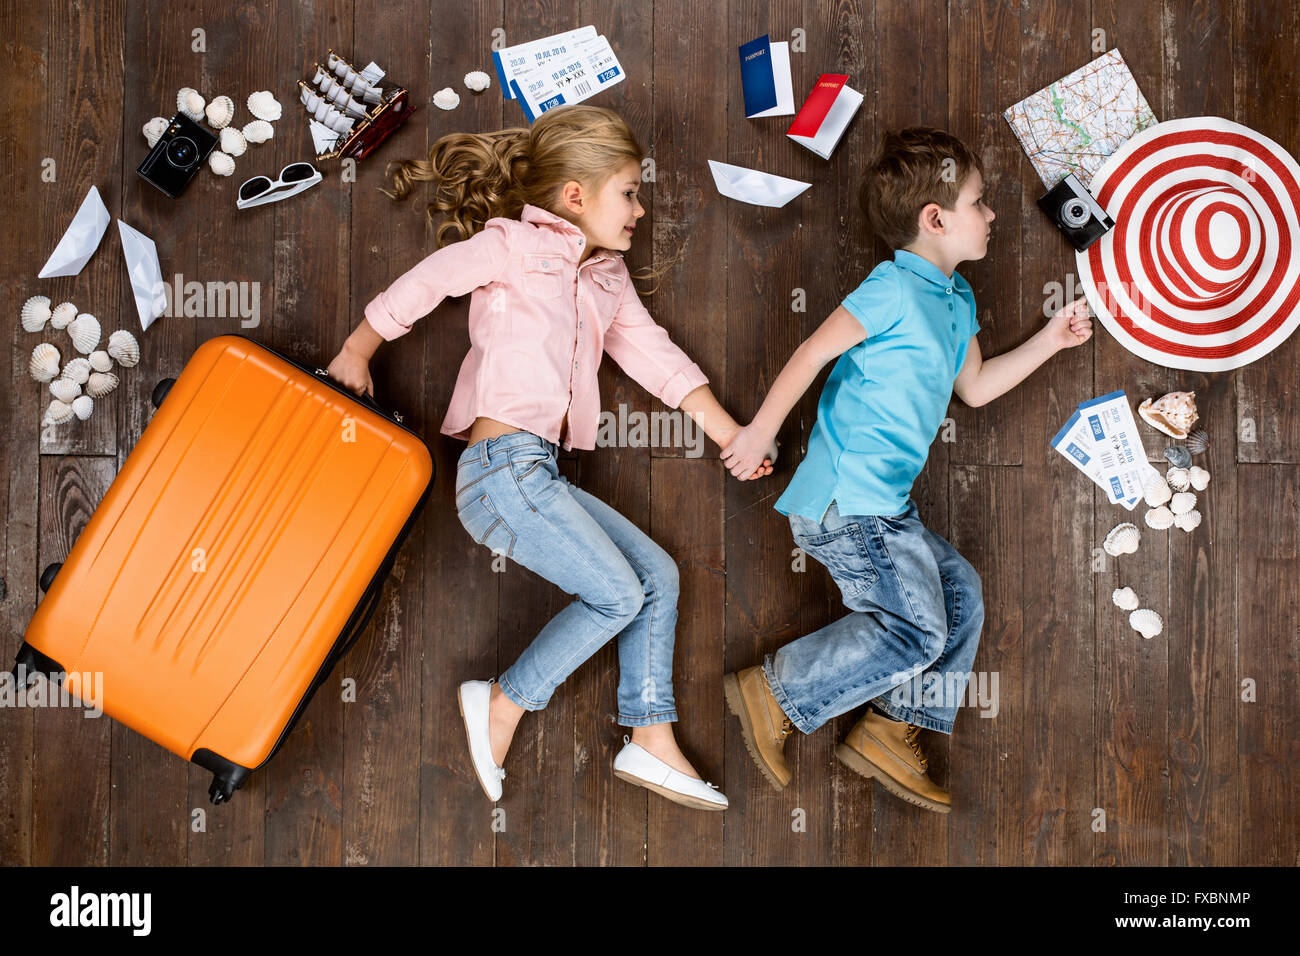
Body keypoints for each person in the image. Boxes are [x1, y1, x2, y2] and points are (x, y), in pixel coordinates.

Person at [326, 105, 775, 812]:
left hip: (537, 474)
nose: (640, 206)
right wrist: (358, 349)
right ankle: (503, 701)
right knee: (617, 595)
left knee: (654, 576)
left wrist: (733, 435)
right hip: (499, 472)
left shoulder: (606, 279)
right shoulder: (509, 245)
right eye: (628, 191)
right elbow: (424, 282)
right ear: (575, 195)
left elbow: (658, 359)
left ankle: (651, 736)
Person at [718, 127, 1092, 813]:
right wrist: (760, 430)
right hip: (846, 505)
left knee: (960, 598)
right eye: (980, 203)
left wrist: (1052, 339)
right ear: (935, 219)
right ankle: (776, 692)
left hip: (886, 510)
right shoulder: (891, 287)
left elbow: (974, 388)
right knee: (917, 632)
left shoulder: (957, 301)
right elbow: (811, 354)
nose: (991, 216)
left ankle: (891, 728)